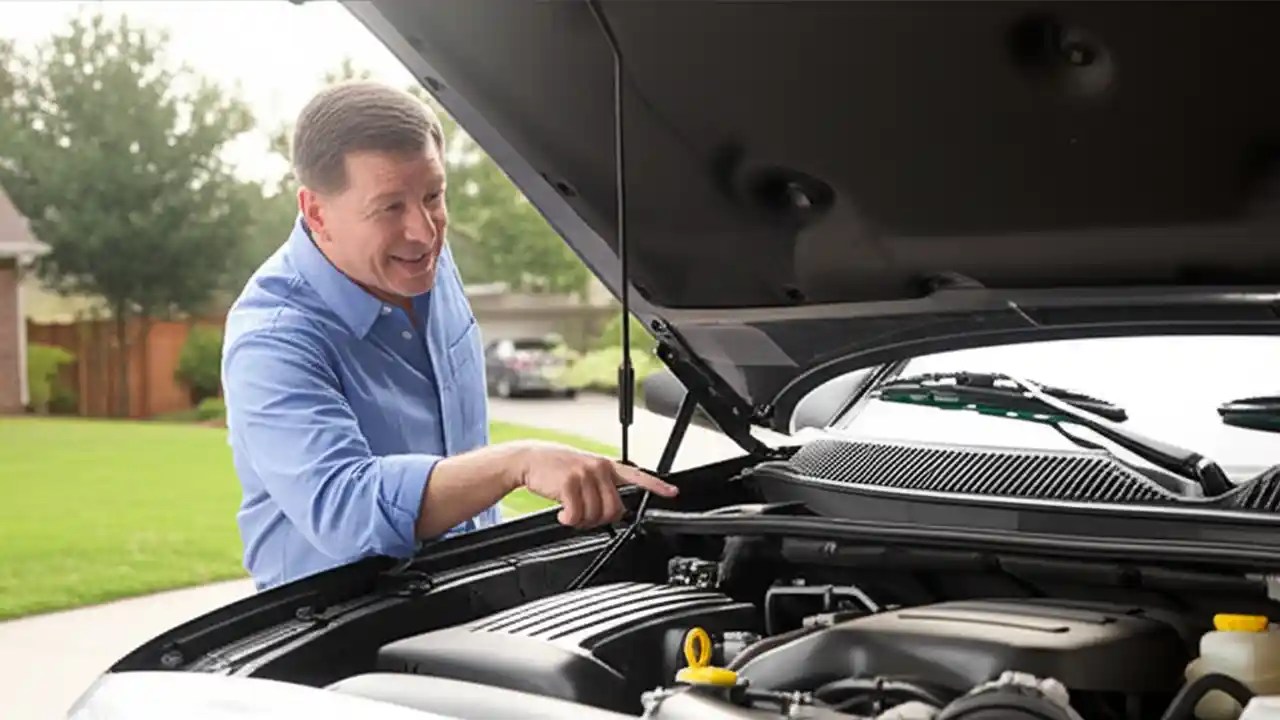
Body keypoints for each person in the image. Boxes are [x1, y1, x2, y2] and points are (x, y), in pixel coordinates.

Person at [221, 81, 676, 591]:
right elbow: (346, 512)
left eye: (433, 196)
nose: (424, 231)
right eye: (389, 207)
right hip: (335, 640)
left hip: (468, 592)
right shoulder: (273, 340)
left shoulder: (421, 259)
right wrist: (516, 462)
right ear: (317, 213)